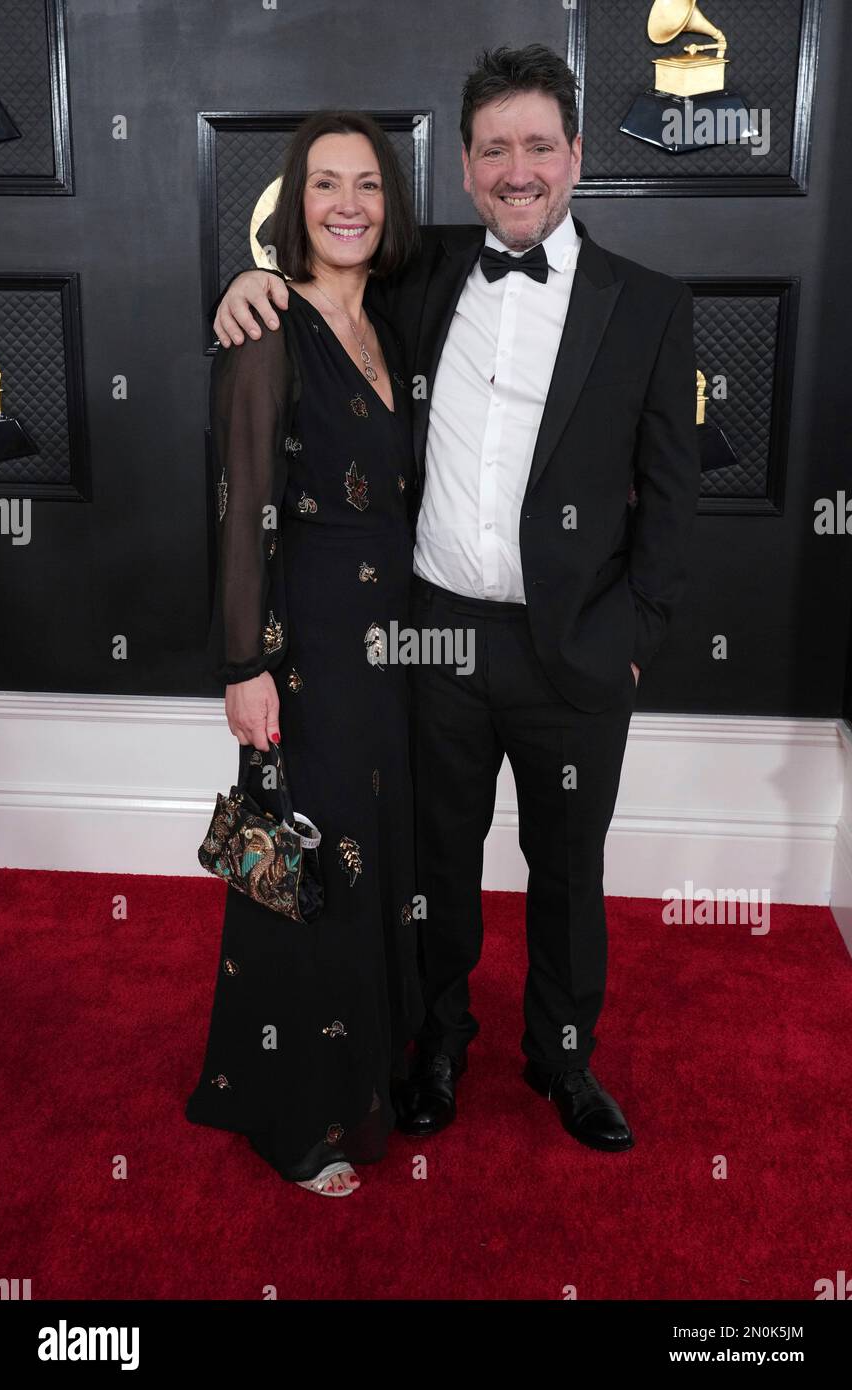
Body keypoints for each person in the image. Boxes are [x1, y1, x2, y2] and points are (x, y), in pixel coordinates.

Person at [212, 45, 701, 1155]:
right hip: (431, 639)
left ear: (576, 156)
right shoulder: (421, 270)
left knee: (567, 872)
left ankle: (562, 1062)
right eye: (493, 150)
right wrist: (242, 281)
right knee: (433, 863)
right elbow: (308, 273)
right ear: (467, 172)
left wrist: (634, 640)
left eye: (538, 145)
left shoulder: (650, 307)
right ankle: (434, 1046)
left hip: (576, 648)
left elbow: (673, 499)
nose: (516, 170)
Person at [186, 110, 424, 1195]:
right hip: (304, 647)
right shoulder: (265, 326)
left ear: (390, 201)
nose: (346, 204)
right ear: (292, 204)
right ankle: (296, 1118)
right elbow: (237, 508)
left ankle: (364, 1076)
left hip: (393, 649)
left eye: (366, 184)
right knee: (301, 868)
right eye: (323, 184)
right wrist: (245, 665)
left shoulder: (395, 320)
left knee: (371, 859)